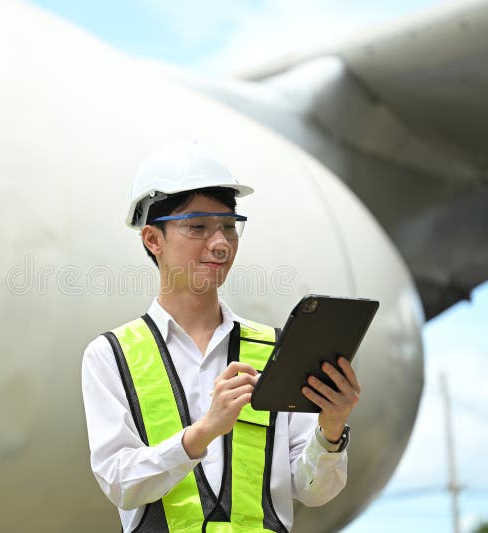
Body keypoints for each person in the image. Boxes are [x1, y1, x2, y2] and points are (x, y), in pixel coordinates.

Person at [81, 141, 361, 532]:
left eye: (229, 226)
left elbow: (311, 490)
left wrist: (331, 428)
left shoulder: (274, 350)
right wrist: (204, 432)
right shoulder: (110, 356)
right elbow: (120, 481)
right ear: (152, 240)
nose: (220, 244)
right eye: (198, 227)